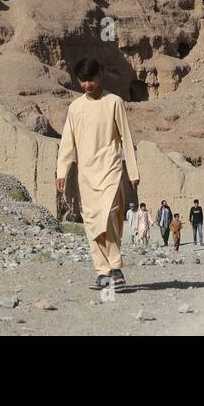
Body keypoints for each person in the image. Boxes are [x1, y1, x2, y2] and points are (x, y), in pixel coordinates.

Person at [55, 58, 140, 291]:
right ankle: (103, 271)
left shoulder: (114, 102)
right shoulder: (75, 107)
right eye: (83, 81)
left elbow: (126, 138)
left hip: (111, 168)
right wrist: (62, 171)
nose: (87, 85)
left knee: (110, 215)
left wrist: (132, 170)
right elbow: (67, 142)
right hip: (86, 173)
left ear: (100, 75)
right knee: (93, 223)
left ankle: (116, 267)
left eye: (91, 80)